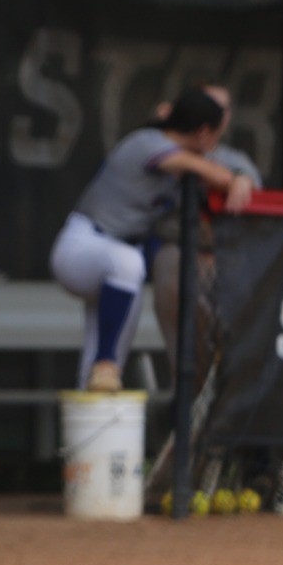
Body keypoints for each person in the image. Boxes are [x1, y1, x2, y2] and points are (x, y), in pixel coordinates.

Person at [51, 87, 253, 393]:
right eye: (213, 132)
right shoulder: (145, 142)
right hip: (82, 247)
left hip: (118, 270)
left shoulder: (186, 150)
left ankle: (95, 410)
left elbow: (235, 166)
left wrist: (243, 176)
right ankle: (105, 361)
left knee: (102, 379)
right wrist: (232, 178)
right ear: (202, 132)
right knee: (128, 263)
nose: (215, 144)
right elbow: (208, 170)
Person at [150, 83, 260, 390]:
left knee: (225, 345)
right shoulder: (161, 145)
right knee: (183, 355)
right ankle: (186, 404)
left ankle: (216, 407)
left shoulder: (233, 158)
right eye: (208, 105)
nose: (215, 115)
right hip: (176, 249)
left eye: (222, 110)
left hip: (221, 256)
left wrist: (239, 181)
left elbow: (252, 190)